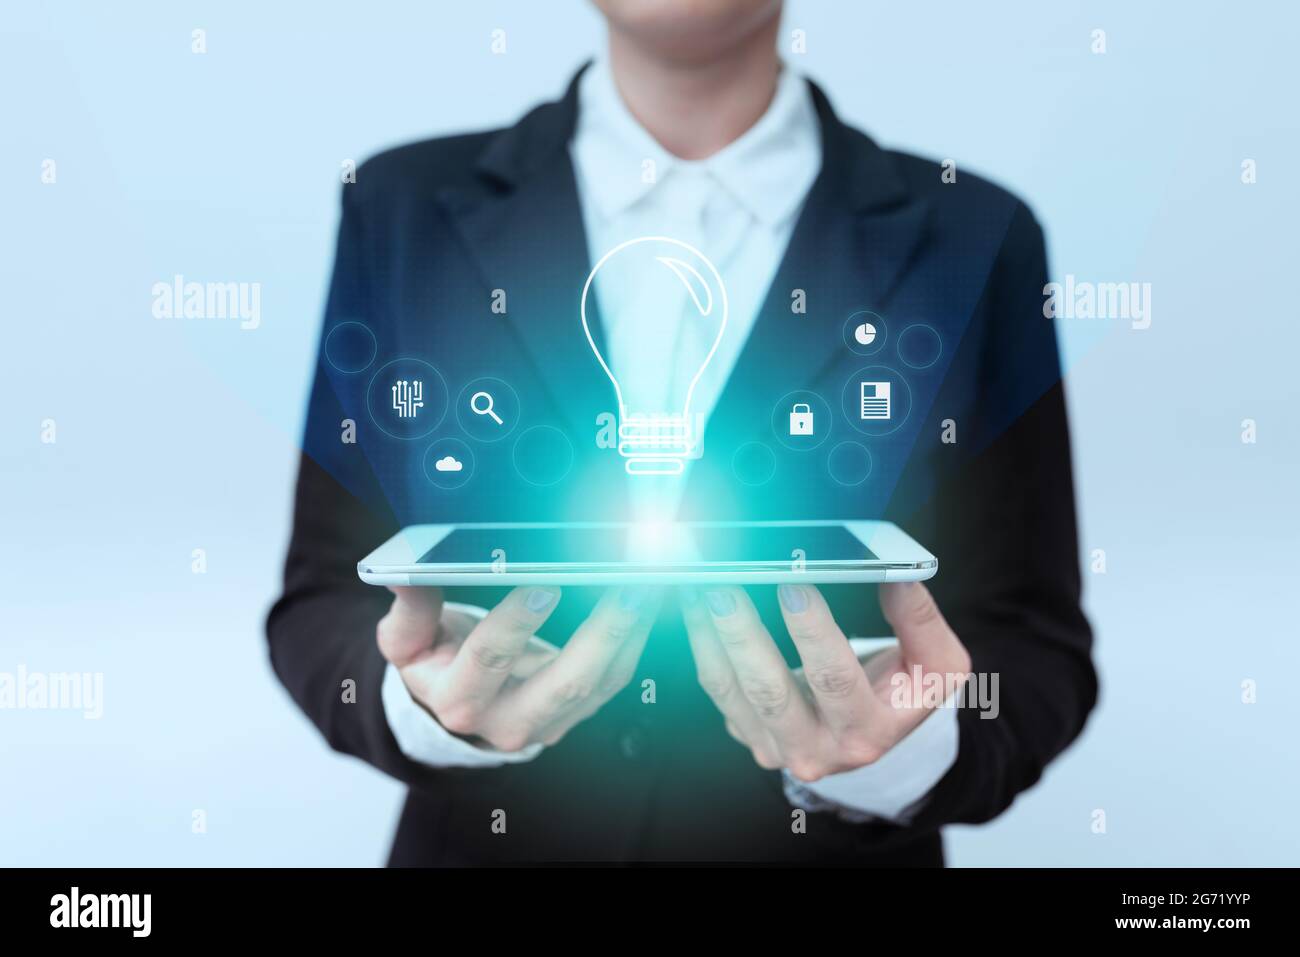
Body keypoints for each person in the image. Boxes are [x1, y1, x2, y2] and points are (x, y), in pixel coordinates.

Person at [267, 0, 1097, 865]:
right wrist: (429, 707)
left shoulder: (974, 238)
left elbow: (1035, 648)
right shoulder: (404, 211)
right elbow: (322, 602)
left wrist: (894, 755)